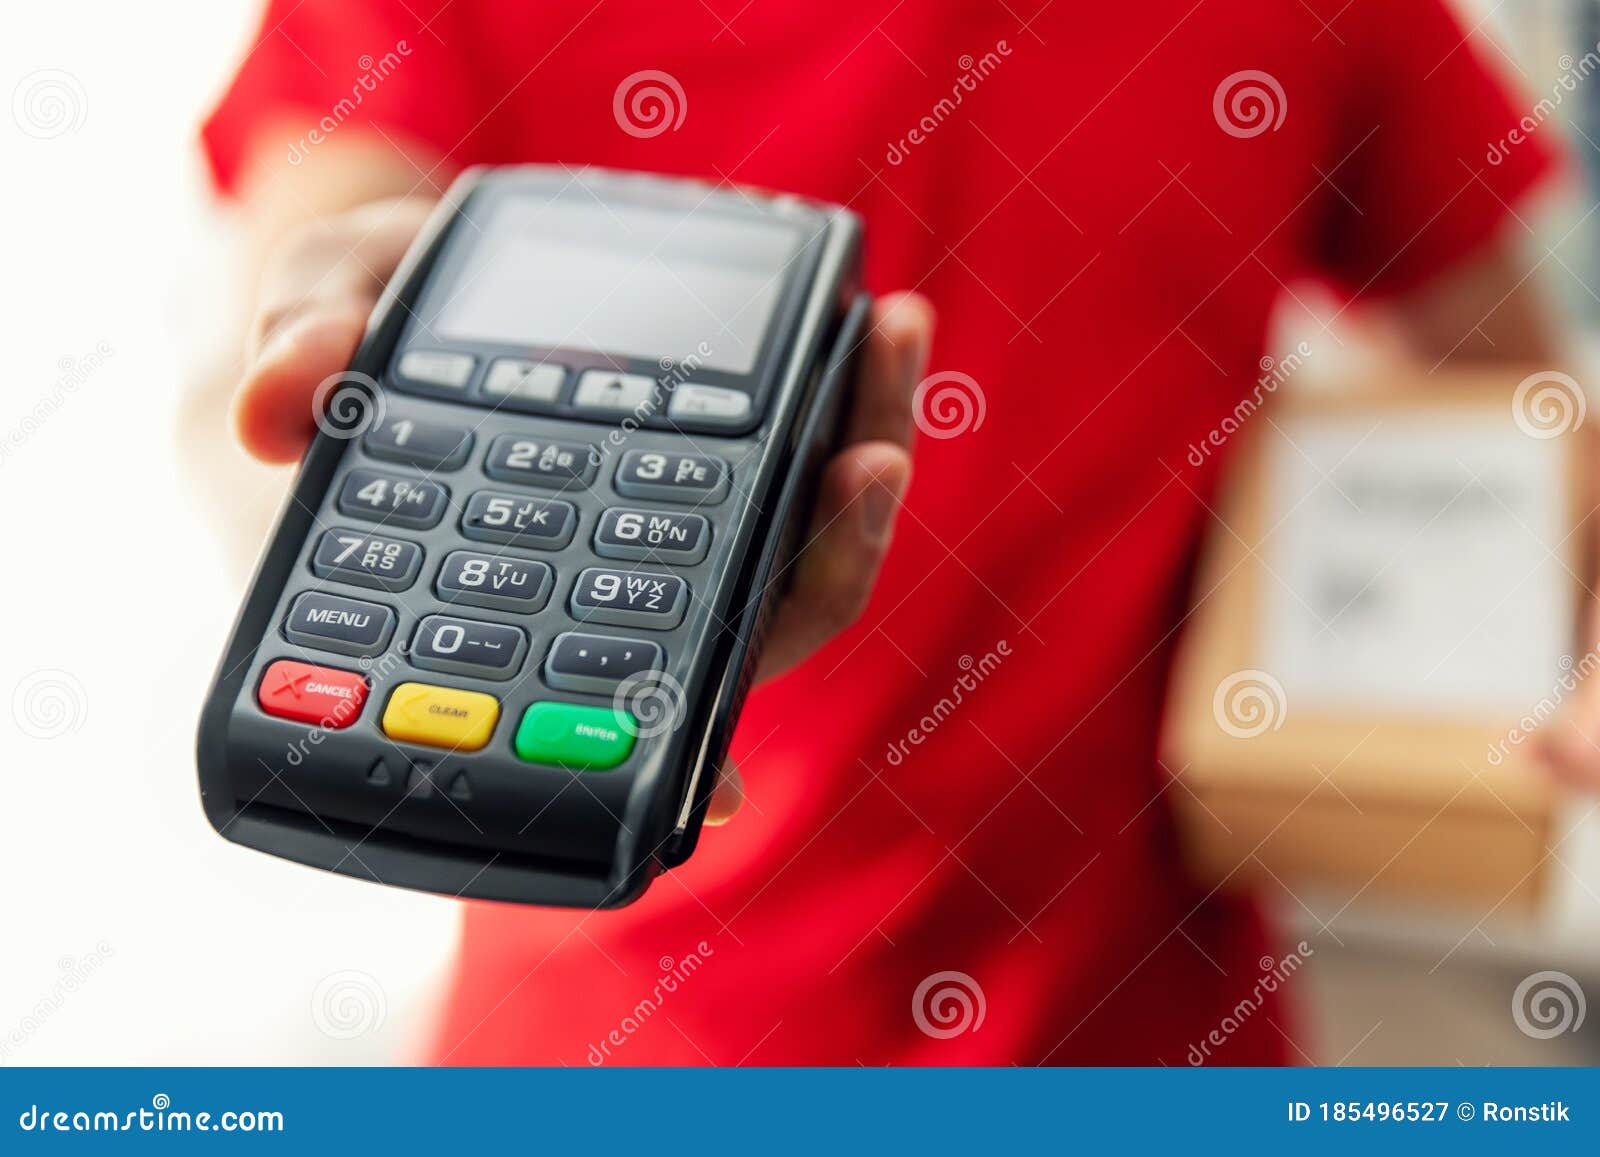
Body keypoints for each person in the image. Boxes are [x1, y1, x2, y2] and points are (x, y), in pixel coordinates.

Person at [199, 0, 1588, 1064]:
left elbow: (1506, 411)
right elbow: (271, 346)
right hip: (608, 1035)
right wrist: (347, 465)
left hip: (1149, 1026)